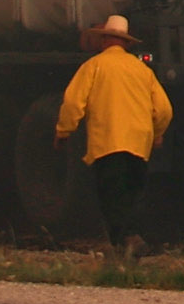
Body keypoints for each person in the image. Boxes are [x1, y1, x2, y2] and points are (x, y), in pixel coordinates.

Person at [56, 14, 171, 251]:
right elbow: (164, 108)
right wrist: (157, 133)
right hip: (139, 142)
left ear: (104, 40)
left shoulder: (93, 67)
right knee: (133, 191)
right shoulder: (142, 70)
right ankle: (133, 238)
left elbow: (72, 103)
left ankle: (123, 241)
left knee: (111, 194)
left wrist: (63, 131)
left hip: (107, 141)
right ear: (126, 43)